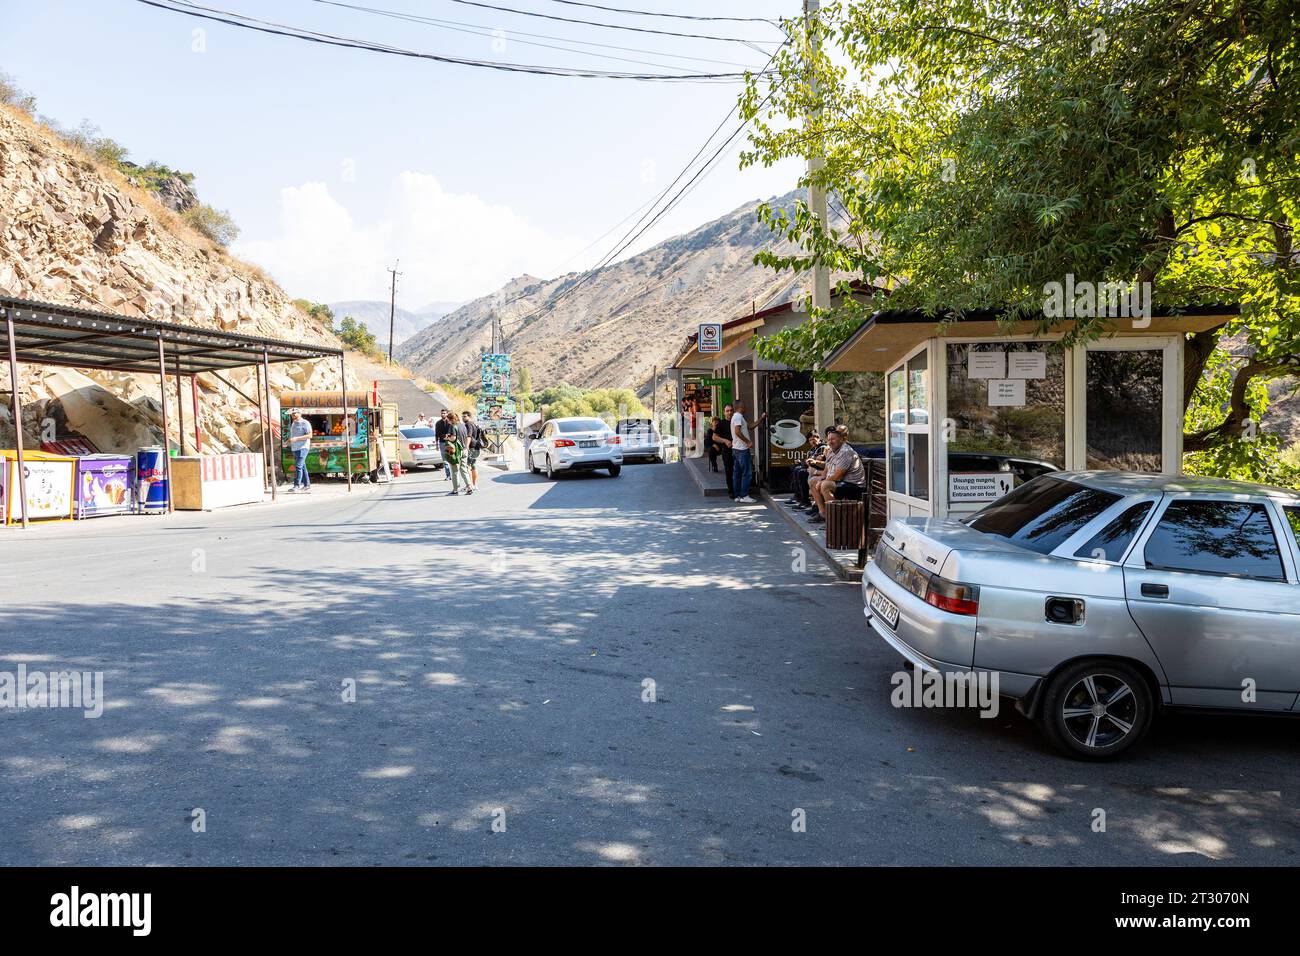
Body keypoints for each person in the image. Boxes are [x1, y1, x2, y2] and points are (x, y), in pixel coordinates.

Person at [809, 425, 866, 525]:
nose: (830, 442)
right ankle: (823, 514)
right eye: (829, 439)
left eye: (833, 439)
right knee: (812, 481)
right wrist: (822, 477)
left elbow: (838, 476)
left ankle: (835, 520)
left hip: (854, 485)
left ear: (841, 440)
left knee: (825, 485)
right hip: (841, 483)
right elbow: (827, 468)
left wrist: (823, 481)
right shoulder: (831, 450)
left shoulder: (846, 452)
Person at [730, 400, 766, 504]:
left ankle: (737, 496)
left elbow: (750, 427)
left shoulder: (739, 417)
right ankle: (744, 495)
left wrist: (761, 418)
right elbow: (737, 431)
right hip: (741, 449)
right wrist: (748, 441)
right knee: (747, 473)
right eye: (744, 405)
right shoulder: (737, 417)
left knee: (737, 473)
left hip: (736, 449)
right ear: (740, 406)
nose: (746, 407)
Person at [787, 430, 827, 508]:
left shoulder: (822, 447)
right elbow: (808, 461)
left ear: (818, 438)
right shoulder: (812, 449)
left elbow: (818, 461)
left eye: (813, 439)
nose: (812, 441)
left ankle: (805, 501)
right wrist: (801, 462)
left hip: (819, 470)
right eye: (810, 440)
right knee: (796, 469)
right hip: (811, 468)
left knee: (801, 472)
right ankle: (798, 496)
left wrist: (807, 463)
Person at [287, 410, 312, 494]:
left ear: (300, 414)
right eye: (292, 414)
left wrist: (296, 439)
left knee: (298, 466)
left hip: (303, 447)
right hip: (295, 448)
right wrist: (287, 442)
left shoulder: (305, 423)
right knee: (302, 466)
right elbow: (293, 436)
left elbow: (310, 435)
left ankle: (296, 485)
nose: (293, 415)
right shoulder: (294, 423)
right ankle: (307, 484)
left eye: (295, 413)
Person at [713, 406, 735, 498]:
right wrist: (725, 441)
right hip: (727, 451)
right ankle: (731, 491)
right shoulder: (721, 424)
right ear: (724, 413)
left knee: (738, 471)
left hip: (738, 450)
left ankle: (739, 490)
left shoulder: (737, 421)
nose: (729, 412)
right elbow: (714, 437)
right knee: (729, 471)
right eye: (727, 411)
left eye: (731, 410)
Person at [462, 409, 484, 492]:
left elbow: (469, 436)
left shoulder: (468, 424)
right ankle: (474, 485)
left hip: (471, 447)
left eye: (465, 416)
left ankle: (470, 485)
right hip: (476, 446)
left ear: (469, 417)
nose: (463, 418)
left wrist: (466, 446)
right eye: (462, 416)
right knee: (473, 466)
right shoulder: (474, 424)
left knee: (467, 466)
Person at [443, 427, 469, 495]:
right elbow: (468, 437)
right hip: (464, 449)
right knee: (464, 470)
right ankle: (469, 487)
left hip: (457, 451)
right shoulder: (463, 426)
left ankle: (455, 490)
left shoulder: (452, 427)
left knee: (454, 471)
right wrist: (466, 447)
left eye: (448, 419)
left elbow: (453, 438)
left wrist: (447, 438)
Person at [434, 410, 454, 480]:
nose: (443, 414)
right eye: (442, 413)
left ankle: (454, 474)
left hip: (450, 443)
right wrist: (436, 445)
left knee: (451, 459)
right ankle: (448, 475)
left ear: (447, 414)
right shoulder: (438, 423)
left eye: (444, 413)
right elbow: (436, 434)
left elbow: (452, 433)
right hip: (442, 443)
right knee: (445, 460)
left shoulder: (450, 423)